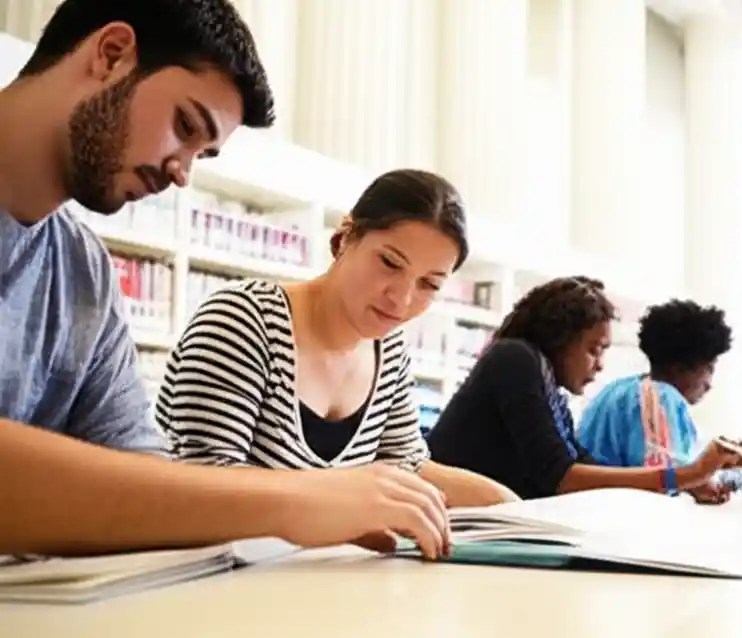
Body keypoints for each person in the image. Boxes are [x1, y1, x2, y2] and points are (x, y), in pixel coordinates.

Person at [0, 0, 451, 559]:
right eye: (184, 125)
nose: (181, 173)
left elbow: (146, 484)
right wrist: (295, 503)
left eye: (202, 153)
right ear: (111, 53)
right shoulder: (242, 318)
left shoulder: (83, 271)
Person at [156, 169, 516, 510]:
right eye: (390, 263)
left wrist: (512, 508)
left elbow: (406, 467)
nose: (402, 299)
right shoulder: (243, 319)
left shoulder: (389, 352)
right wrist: (347, 499)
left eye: (429, 284)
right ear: (346, 236)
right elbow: (203, 482)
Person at [427, 277, 740, 503]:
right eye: (594, 349)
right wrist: (687, 474)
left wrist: (686, 482)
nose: (599, 365)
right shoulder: (516, 358)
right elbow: (561, 477)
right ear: (560, 337)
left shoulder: (550, 386)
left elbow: (585, 464)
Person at [578, 299, 742, 491]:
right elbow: (664, 478)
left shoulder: (619, 389)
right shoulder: (658, 398)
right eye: (708, 369)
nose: (709, 384)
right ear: (680, 368)